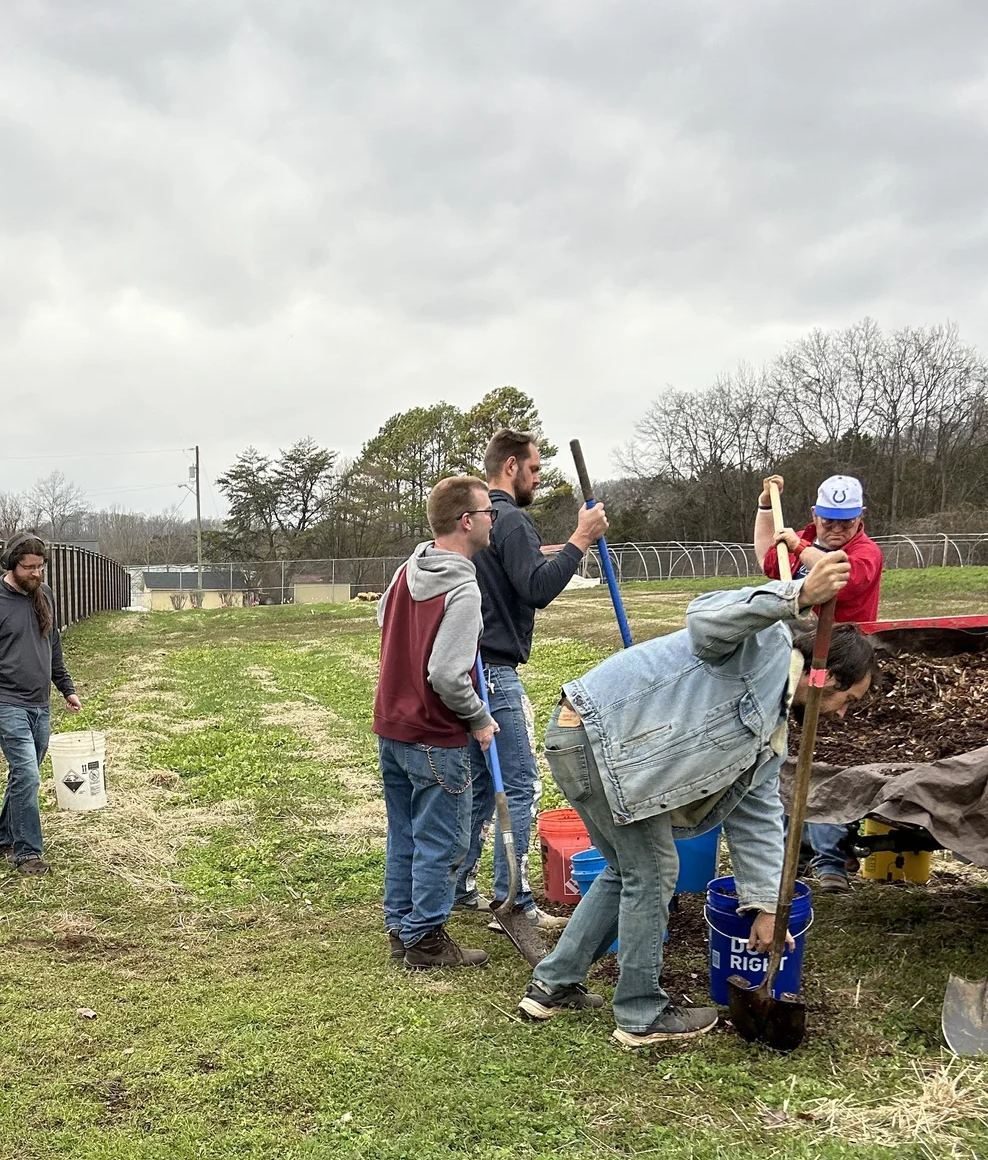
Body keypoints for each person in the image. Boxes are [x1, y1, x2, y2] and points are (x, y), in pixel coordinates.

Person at [518, 552, 874, 1047]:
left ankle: (551, 985)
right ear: (826, 675)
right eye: (847, 700)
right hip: (598, 740)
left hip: (583, 739)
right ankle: (640, 1014)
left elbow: (759, 818)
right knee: (653, 872)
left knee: (628, 870)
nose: (840, 714)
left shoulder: (770, 735)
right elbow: (704, 616)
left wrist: (766, 905)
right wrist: (797, 595)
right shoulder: (763, 642)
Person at [456, 427, 611, 930]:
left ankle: (460, 887)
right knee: (519, 782)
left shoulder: (472, 525)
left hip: (469, 670)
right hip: (496, 673)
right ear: (510, 467)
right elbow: (537, 587)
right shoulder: (511, 520)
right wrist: (579, 540)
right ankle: (514, 902)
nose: (539, 478)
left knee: (482, 785)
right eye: (536, 468)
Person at [373, 476, 500, 971]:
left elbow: (384, 617)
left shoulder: (410, 567)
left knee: (404, 830)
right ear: (466, 521)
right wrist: (480, 717)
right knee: (443, 839)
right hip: (434, 735)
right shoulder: (463, 586)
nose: (493, 519)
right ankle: (425, 938)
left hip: (393, 725)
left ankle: (401, 928)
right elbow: (446, 673)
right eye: (488, 511)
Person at [755, 473, 884, 891]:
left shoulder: (865, 553)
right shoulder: (804, 539)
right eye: (829, 520)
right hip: (799, 663)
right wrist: (764, 509)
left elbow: (838, 576)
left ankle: (829, 859)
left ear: (860, 517)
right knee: (785, 753)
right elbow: (769, 563)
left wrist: (800, 547)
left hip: (843, 670)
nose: (836, 529)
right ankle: (793, 849)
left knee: (829, 760)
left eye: (845, 522)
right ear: (815, 513)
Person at [0, 535, 83, 875]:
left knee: (24, 775)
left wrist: (66, 688)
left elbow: (52, 646)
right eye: (30, 567)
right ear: (12, 564)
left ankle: (2, 837)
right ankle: (27, 852)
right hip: (5, 701)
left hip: (39, 703)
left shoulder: (45, 596)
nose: (37, 574)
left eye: (41, 567)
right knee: (27, 772)